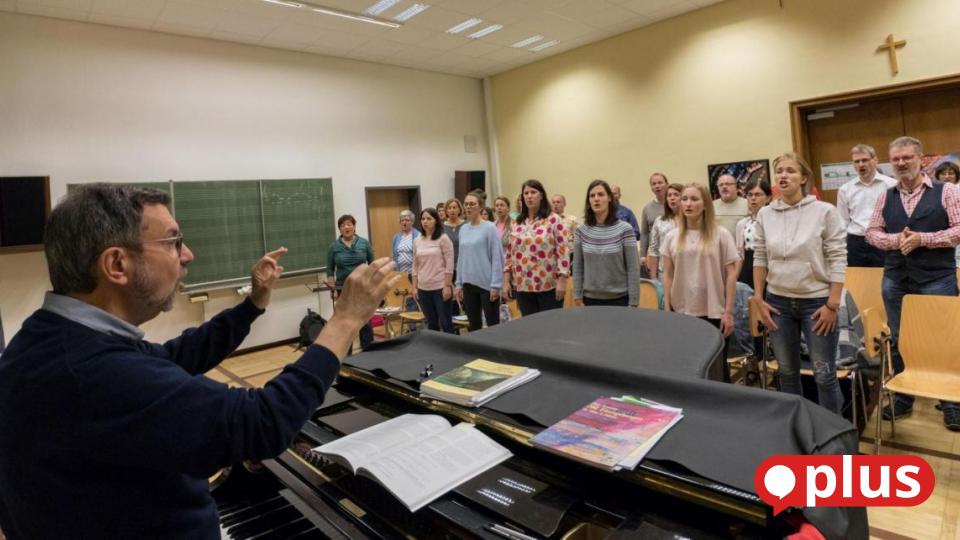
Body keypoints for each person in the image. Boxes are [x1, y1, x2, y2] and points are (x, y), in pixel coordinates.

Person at [0, 184, 397, 539]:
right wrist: (345, 319)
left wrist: (253, 303)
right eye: (173, 241)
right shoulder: (93, 374)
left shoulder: (54, 339)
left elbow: (173, 357)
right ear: (117, 265)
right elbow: (264, 423)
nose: (187, 255)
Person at [866, 136, 960, 430]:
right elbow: (871, 232)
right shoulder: (886, 196)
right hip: (895, 279)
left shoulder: (948, 192)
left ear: (921, 159)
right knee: (899, 337)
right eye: (896, 159)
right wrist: (897, 240)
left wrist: (924, 239)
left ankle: (951, 401)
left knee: (944, 341)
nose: (902, 163)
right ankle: (904, 396)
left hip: (937, 278)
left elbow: (959, 229)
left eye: (907, 157)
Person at [753, 153, 846, 414]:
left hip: (817, 304)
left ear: (803, 178)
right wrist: (759, 298)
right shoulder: (765, 214)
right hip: (778, 303)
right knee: (787, 373)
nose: (783, 175)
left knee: (824, 376)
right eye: (779, 171)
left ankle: (832, 436)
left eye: (790, 171)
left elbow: (838, 257)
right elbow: (760, 256)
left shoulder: (824, 211)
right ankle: (796, 429)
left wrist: (833, 303)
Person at [662, 183, 739, 382]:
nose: (688, 204)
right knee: (688, 366)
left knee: (716, 369)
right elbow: (668, 275)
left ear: (705, 204)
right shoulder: (672, 237)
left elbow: (731, 275)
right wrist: (667, 307)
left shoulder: (721, 234)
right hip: (683, 311)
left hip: (714, 310)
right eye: (685, 199)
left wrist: (728, 312)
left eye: (694, 199)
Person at [502, 179, 570, 315]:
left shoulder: (554, 219)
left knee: (549, 328)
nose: (529, 196)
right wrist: (506, 282)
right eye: (525, 193)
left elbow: (563, 251)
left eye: (533, 192)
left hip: (548, 285)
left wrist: (562, 281)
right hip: (522, 286)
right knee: (530, 329)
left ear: (541, 196)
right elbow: (509, 255)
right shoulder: (517, 223)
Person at [573, 180, 639, 307]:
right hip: (589, 299)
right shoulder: (581, 231)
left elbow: (633, 268)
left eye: (600, 194)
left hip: (620, 299)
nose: (596, 199)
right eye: (592, 196)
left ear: (609, 198)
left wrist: (634, 302)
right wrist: (577, 296)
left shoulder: (625, 229)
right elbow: (578, 266)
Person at [836, 144, 896, 267]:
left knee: (886, 280)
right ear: (853, 165)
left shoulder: (892, 185)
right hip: (856, 243)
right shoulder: (845, 189)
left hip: (884, 240)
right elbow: (842, 222)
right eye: (857, 161)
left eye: (865, 160)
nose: (861, 164)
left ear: (875, 160)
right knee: (856, 282)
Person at [455, 190, 503, 331]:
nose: (468, 207)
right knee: (474, 325)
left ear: (481, 207)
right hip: (468, 284)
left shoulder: (489, 228)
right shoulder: (463, 229)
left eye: (472, 204)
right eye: (466, 204)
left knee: (493, 325)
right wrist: (458, 283)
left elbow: (497, 257)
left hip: (487, 285)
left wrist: (496, 285)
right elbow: (461, 258)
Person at [327, 214, 376, 350]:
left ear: (354, 227)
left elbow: (373, 265)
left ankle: (369, 351)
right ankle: (345, 354)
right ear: (340, 229)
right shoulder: (334, 246)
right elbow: (330, 270)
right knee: (345, 322)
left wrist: (372, 286)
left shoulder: (364, 243)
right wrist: (333, 290)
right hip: (343, 289)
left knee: (364, 320)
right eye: (342, 225)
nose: (346, 227)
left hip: (363, 287)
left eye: (349, 224)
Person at [412, 207, 455, 334]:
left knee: (446, 323)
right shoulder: (417, 241)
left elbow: (449, 264)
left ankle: (450, 350)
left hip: (440, 287)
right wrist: (414, 287)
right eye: (423, 219)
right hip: (423, 288)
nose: (425, 221)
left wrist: (447, 286)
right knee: (431, 323)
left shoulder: (443, 238)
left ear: (436, 220)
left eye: (429, 219)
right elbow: (415, 265)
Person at [735, 179, 772, 289]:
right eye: (750, 195)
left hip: (768, 265)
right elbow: (739, 253)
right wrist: (735, 277)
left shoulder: (773, 220)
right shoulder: (742, 223)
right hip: (747, 265)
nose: (753, 198)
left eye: (758, 194)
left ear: (768, 198)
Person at [646, 182, 683, 280]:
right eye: (669, 195)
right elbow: (653, 250)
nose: (672, 198)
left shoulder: (691, 220)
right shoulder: (660, 221)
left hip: (687, 270)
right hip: (665, 271)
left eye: (676, 195)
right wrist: (653, 278)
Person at [638, 173, 668, 270]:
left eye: (660, 183)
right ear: (651, 188)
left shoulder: (675, 205)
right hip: (655, 253)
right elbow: (644, 233)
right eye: (653, 184)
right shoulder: (647, 208)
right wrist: (643, 255)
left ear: (667, 184)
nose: (657, 186)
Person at [712, 174, 749, 239]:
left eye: (728, 184)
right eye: (721, 185)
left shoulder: (748, 204)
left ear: (735, 186)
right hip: (719, 247)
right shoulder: (711, 206)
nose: (724, 187)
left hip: (741, 247)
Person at [391, 209, 420, 274]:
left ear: (412, 222)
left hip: (414, 272)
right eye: (402, 220)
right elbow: (393, 255)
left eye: (407, 220)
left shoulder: (418, 235)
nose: (404, 222)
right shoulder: (396, 237)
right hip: (400, 272)